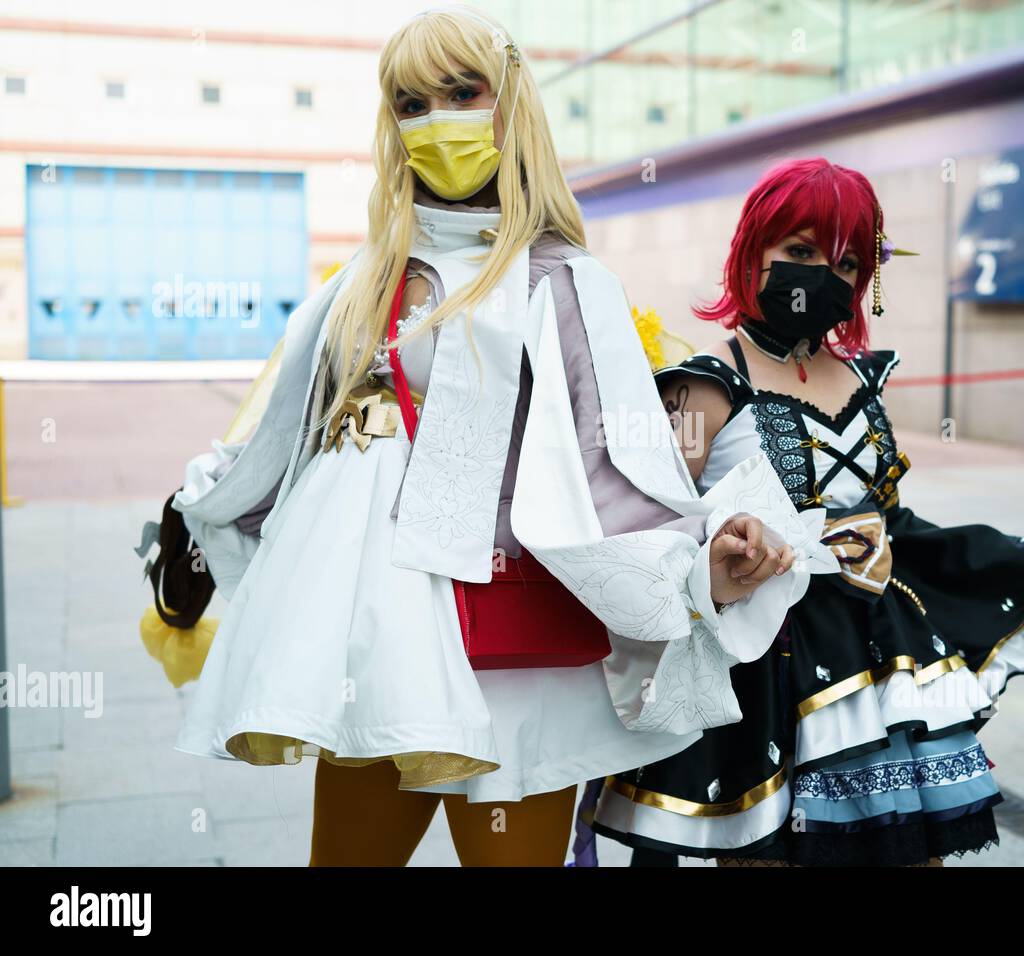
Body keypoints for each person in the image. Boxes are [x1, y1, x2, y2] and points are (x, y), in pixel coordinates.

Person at [163, 6, 829, 867]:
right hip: (380, 645)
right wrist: (197, 517)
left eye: (460, 92)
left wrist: (705, 565)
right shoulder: (357, 288)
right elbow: (280, 448)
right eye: (410, 102)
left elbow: (616, 470)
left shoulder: (570, 284)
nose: (436, 119)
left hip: (517, 656)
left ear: (510, 104)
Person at [593, 157, 1024, 867]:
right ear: (751, 251)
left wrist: (997, 558)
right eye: (799, 252)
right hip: (769, 662)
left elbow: (889, 518)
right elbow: (651, 524)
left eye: (846, 261)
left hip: (884, 657)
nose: (823, 274)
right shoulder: (702, 384)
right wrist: (723, 555)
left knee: (911, 854)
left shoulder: (861, 373)